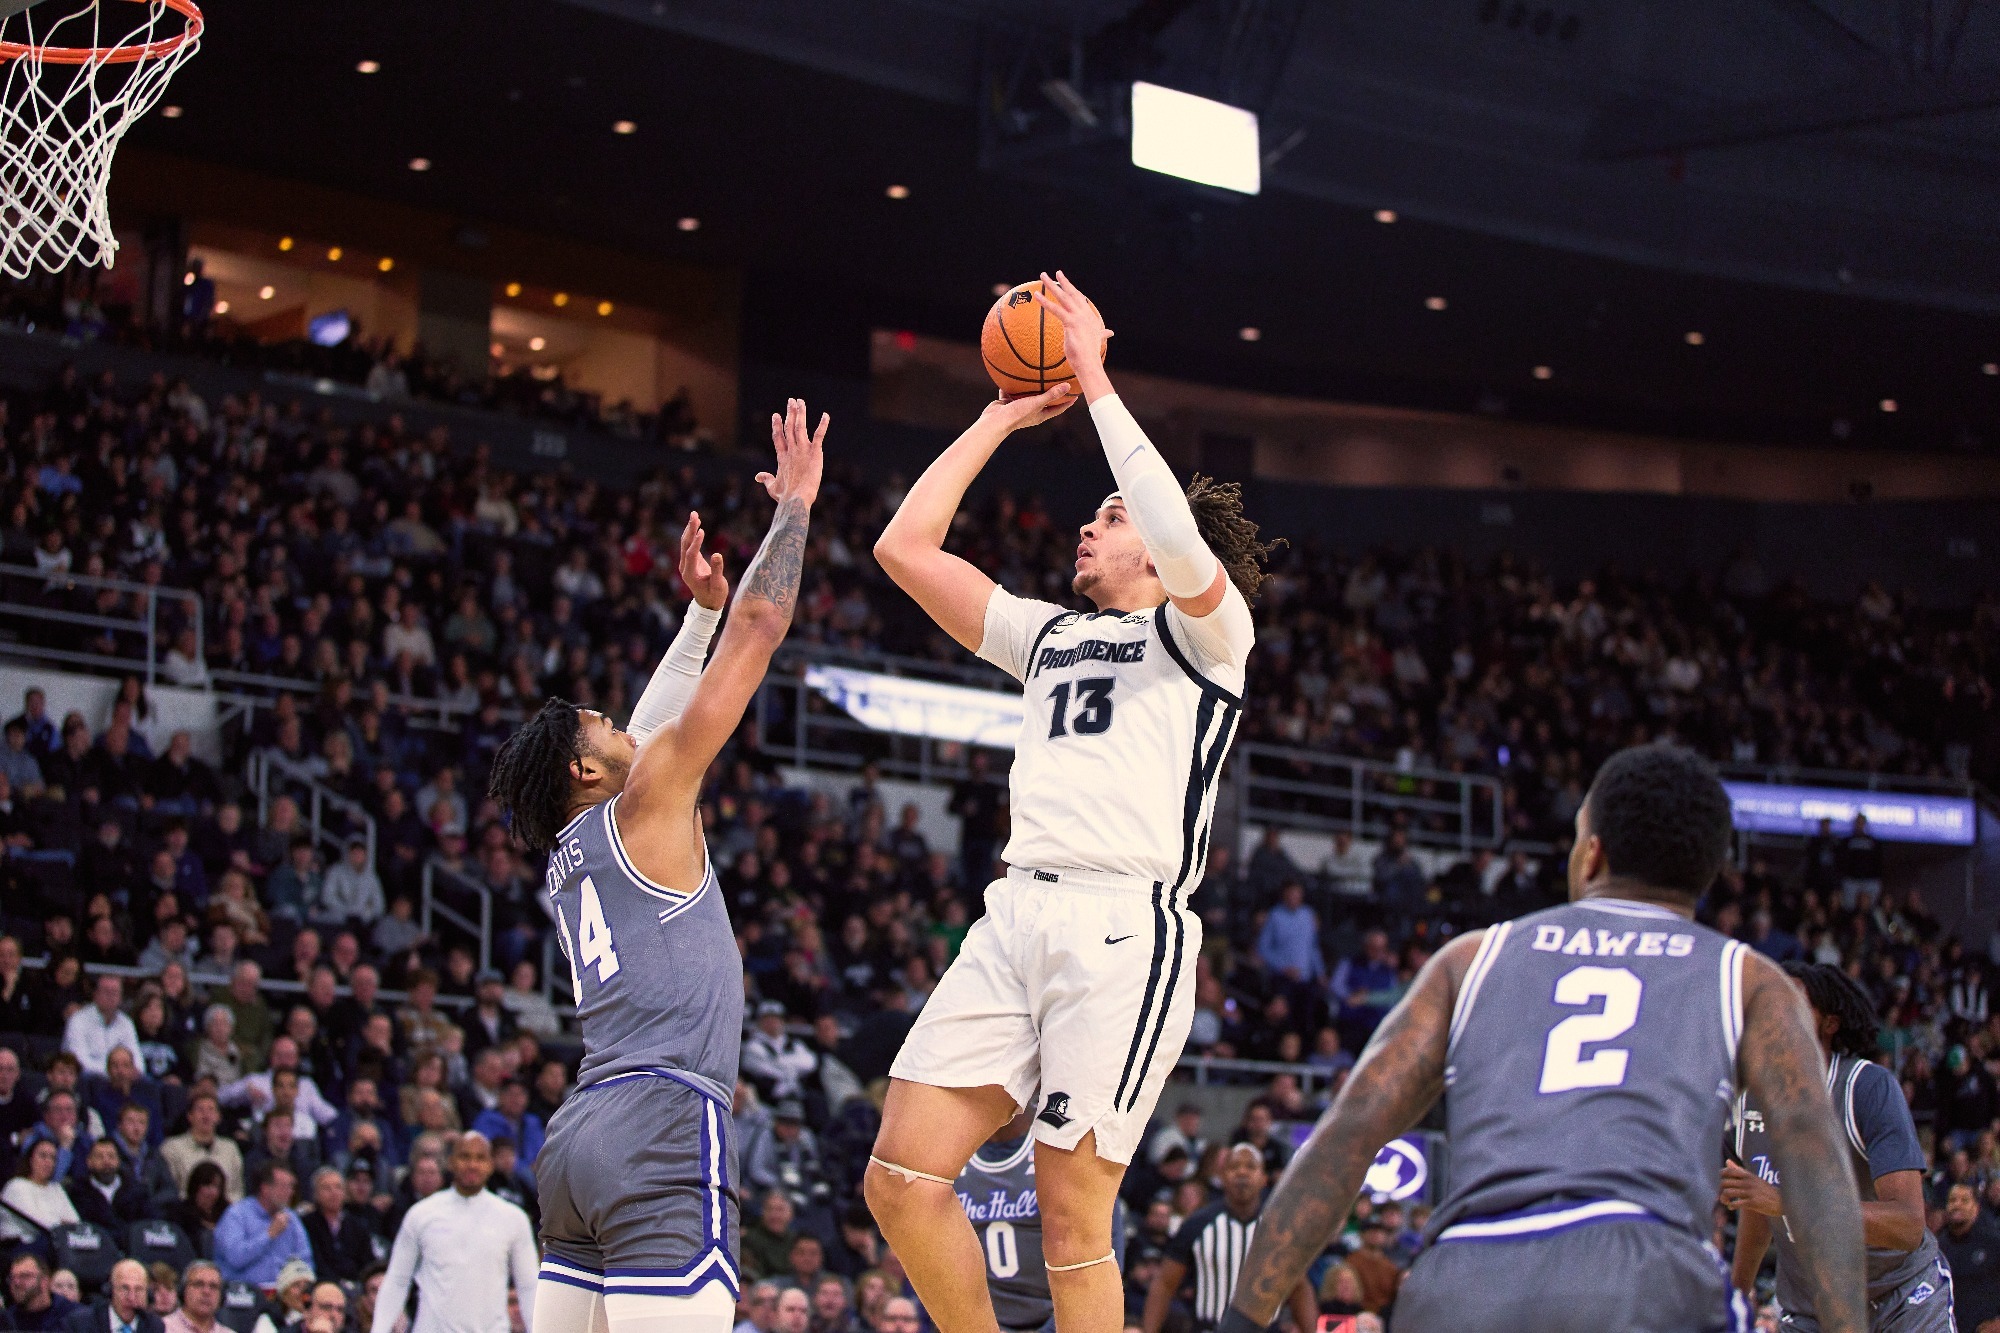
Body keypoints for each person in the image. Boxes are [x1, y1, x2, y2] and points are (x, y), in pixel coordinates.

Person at [867, 272, 1273, 1333]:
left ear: (1154, 537)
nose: (1088, 529)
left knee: (1069, 1219)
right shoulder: (1049, 635)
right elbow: (902, 551)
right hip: (1016, 914)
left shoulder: (1206, 637)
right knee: (900, 1177)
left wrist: (1093, 371)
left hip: (1121, 927)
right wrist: (998, 415)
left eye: (1110, 516)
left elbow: (1183, 545)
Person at [1214, 745, 1868, 1333]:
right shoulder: (1751, 978)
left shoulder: (1471, 958)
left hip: (1464, 1280)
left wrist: (1244, 1320)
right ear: (1705, 876)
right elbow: (1813, 1158)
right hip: (1646, 1271)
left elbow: (1349, 1133)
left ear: (1592, 853)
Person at [489, 406, 824, 1333]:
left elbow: (649, 735)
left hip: (581, 1137)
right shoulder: (644, 802)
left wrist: (694, 615)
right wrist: (793, 506)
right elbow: (762, 628)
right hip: (666, 1119)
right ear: (586, 771)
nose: (623, 724)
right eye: (603, 724)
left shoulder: (574, 848)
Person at [1726, 962, 1948, 1329]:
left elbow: (1908, 1225)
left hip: (1899, 1298)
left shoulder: (1866, 1088)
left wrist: (1788, 1202)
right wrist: (1734, 1296)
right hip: (1813, 1308)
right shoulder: (1748, 1102)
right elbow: (1758, 1205)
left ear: (1829, 1024)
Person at [953, 1108, 1132, 1333]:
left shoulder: (1063, 1144)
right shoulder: (950, 1152)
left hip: (1056, 1318)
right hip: (980, 1321)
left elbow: (1108, 1248)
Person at [370, 1132, 537, 1333]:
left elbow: (528, 1285)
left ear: (490, 1164)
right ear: (450, 1162)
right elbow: (397, 1279)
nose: (472, 1165)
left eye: (480, 1158)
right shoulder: (422, 1214)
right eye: (465, 1156)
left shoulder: (513, 1219)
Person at [1143, 1146, 1315, 1333]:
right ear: (1223, 1177)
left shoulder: (1279, 1229)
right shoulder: (1197, 1225)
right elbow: (1164, 1284)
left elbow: (1299, 1287)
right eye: (1234, 1167)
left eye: (1250, 1166)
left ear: (1264, 1179)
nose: (1242, 1172)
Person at [213, 1162, 311, 1288]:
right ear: (265, 1188)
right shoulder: (237, 1215)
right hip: (243, 1292)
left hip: (282, 1294)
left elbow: (306, 1261)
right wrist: (269, 1235)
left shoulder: (291, 1218)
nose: (290, 1193)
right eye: (284, 1187)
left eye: (292, 1187)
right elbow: (235, 1258)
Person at [1937, 1184, 2000, 1333]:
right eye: (1952, 1200)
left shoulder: (1993, 1243)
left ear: (1976, 1207)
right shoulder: (1938, 1248)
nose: (1957, 1205)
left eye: (1964, 1200)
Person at [301, 1166, 374, 1284]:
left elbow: (368, 1263)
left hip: (356, 1286)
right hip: (322, 1284)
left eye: (338, 1187)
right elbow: (315, 1263)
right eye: (326, 1188)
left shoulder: (357, 1226)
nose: (333, 1193)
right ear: (315, 1194)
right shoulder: (307, 1224)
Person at [62, 974, 142, 1077]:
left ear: (121, 997)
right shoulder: (78, 1020)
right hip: (86, 1080)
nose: (110, 996)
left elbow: (138, 1062)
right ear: (96, 994)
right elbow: (79, 1061)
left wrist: (124, 1071)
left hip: (119, 1080)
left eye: (114, 992)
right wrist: (114, 1072)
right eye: (106, 992)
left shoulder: (126, 1023)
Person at [2, 1139, 79, 1241]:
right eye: (43, 1156)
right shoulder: (17, 1186)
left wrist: (63, 1225)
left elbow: (76, 1223)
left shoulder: (56, 1188)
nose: (48, 1162)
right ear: (30, 1159)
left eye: (52, 1158)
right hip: (21, 1246)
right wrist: (62, 1223)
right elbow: (38, 1224)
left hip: (57, 1244)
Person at [66, 1258, 164, 1333]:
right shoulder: (81, 1323)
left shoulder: (154, 1326)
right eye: (125, 1288)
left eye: (138, 1290)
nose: (131, 1297)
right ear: (110, 1290)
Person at [6, 1253, 80, 1333]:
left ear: (44, 1281)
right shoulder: (6, 1320)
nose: (16, 1283)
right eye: (12, 1278)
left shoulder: (73, 1316)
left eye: (24, 1276)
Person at [162, 1263, 225, 1333]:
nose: (206, 1292)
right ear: (183, 1290)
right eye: (199, 1284)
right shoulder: (162, 1328)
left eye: (213, 1286)